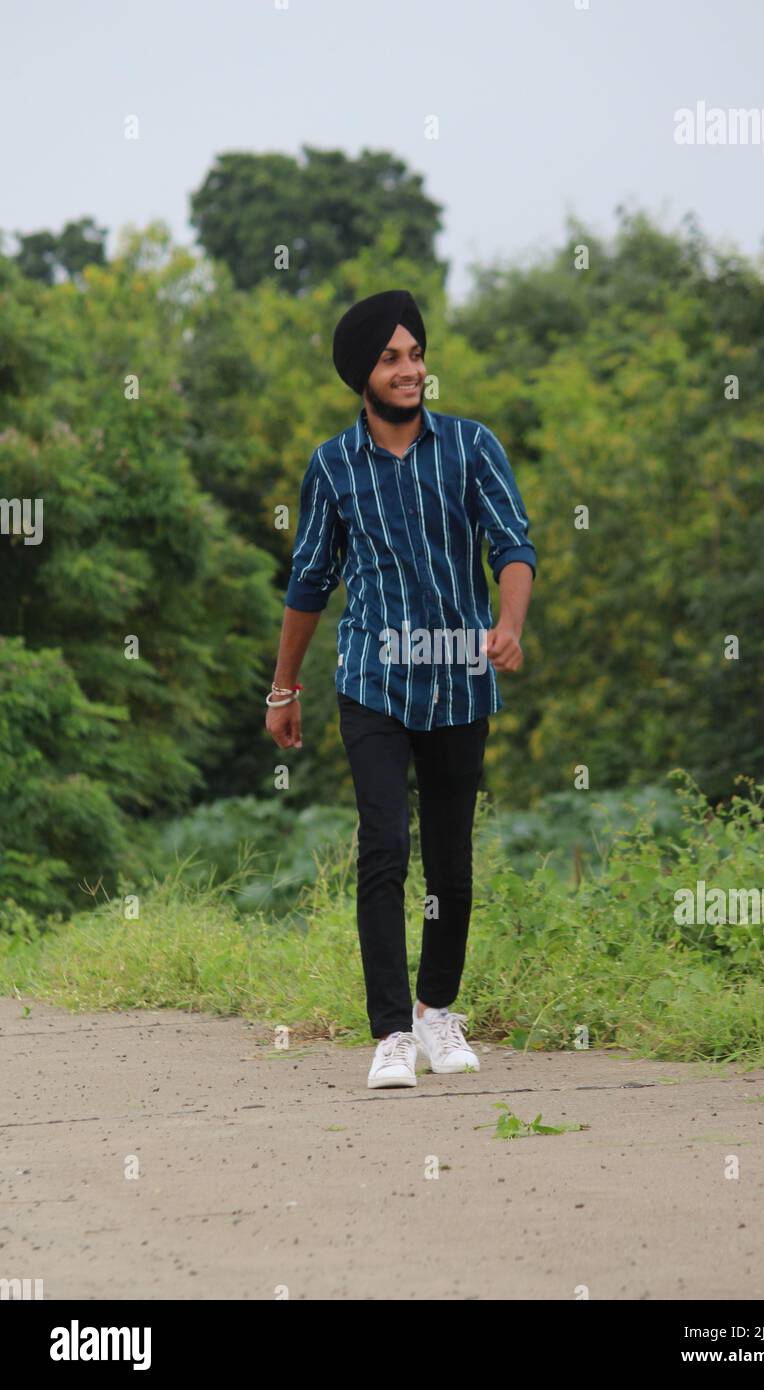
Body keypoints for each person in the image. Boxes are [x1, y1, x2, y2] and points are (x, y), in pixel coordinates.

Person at [266, 289, 536, 1088]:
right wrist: (284, 689)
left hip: (458, 679)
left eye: (416, 354)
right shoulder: (333, 466)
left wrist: (510, 622)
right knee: (385, 846)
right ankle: (389, 1033)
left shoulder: (471, 446)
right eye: (392, 358)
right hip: (372, 680)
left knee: (451, 861)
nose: (411, 368)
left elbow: (512, 545)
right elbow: (309, 581)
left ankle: (435, 1014)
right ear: (363, 374)